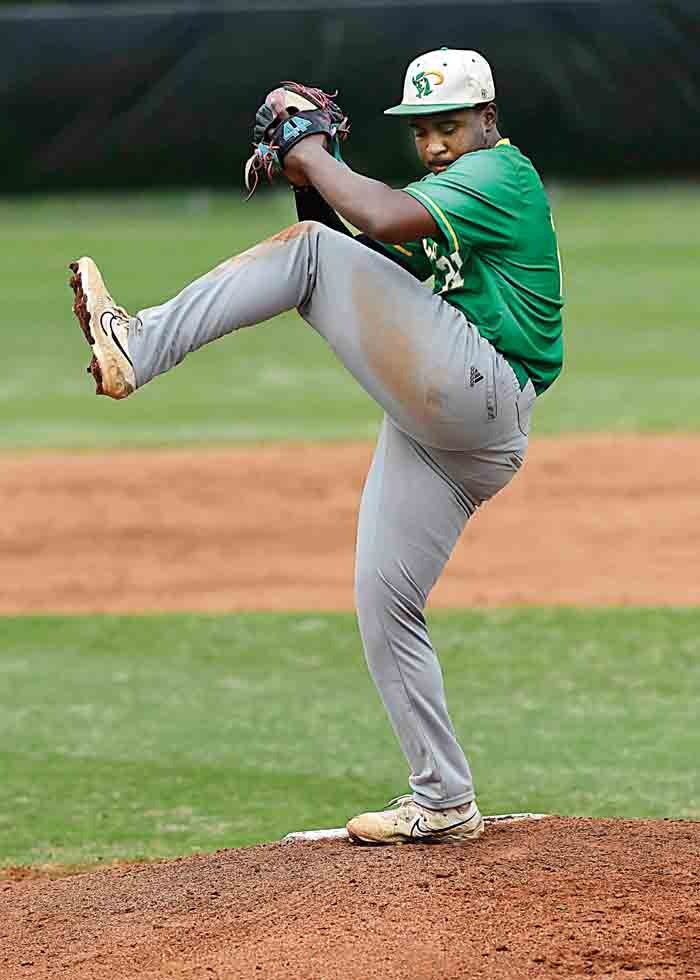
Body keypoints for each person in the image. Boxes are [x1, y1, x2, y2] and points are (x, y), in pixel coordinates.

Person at [69, 47, 563, 845]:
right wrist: (311, 179)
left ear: (489, 122)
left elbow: (371, 223)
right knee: (383, 600)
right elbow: (355, 255)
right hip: (451, 432)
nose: (435, 143)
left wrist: (310, 153)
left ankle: (139, 344)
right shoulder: (438, 195)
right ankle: (444, 798)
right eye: (422, 129)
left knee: (305, 255)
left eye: (450, 125)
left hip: (483, 389)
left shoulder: (502, 177)